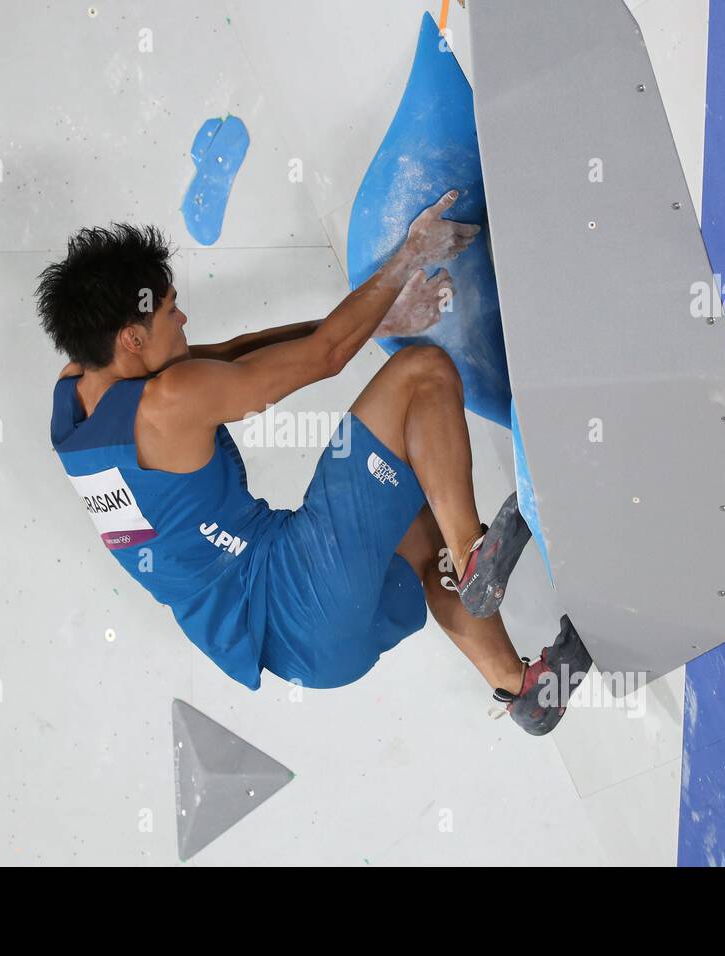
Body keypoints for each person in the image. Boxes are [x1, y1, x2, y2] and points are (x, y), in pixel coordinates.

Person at [38, 189, 591, 735]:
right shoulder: (167, 401)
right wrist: (409, 258)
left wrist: (380, 322)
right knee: (422, 373)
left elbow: (234, 352)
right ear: (133, 336)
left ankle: (524, 693)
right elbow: (326, 355)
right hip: (296, 589)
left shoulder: (75, 395)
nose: (183, 317)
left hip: (304, 656)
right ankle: (474, 557)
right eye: (169, 309)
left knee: (423, 526)